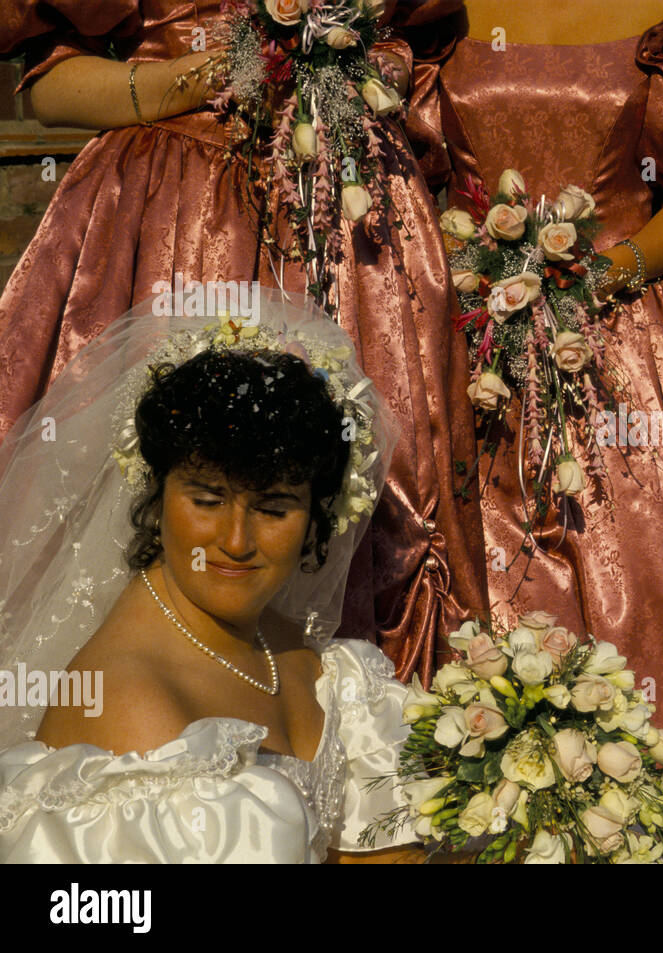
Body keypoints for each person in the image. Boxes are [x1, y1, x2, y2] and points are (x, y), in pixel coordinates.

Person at [401, 0, 663, 861]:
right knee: (484, 600)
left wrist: (596, 275)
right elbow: (407, 178)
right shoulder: (443, 10)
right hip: (475, 348)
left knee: (658, 605)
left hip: (633, 349)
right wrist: (479, 275)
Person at [0, 1, 488, 683]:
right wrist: (210, 76)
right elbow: (49, 88)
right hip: (179, 215)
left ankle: (365, 735)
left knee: (385, 491)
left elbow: (430, 67)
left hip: (357, 228)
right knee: (173, 476)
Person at [0, 293, 421, 863]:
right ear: (157, 495)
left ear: (318, 517)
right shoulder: (134, 707)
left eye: (273, 509)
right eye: (207, 499)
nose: (237, 541)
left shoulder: (305, 657)